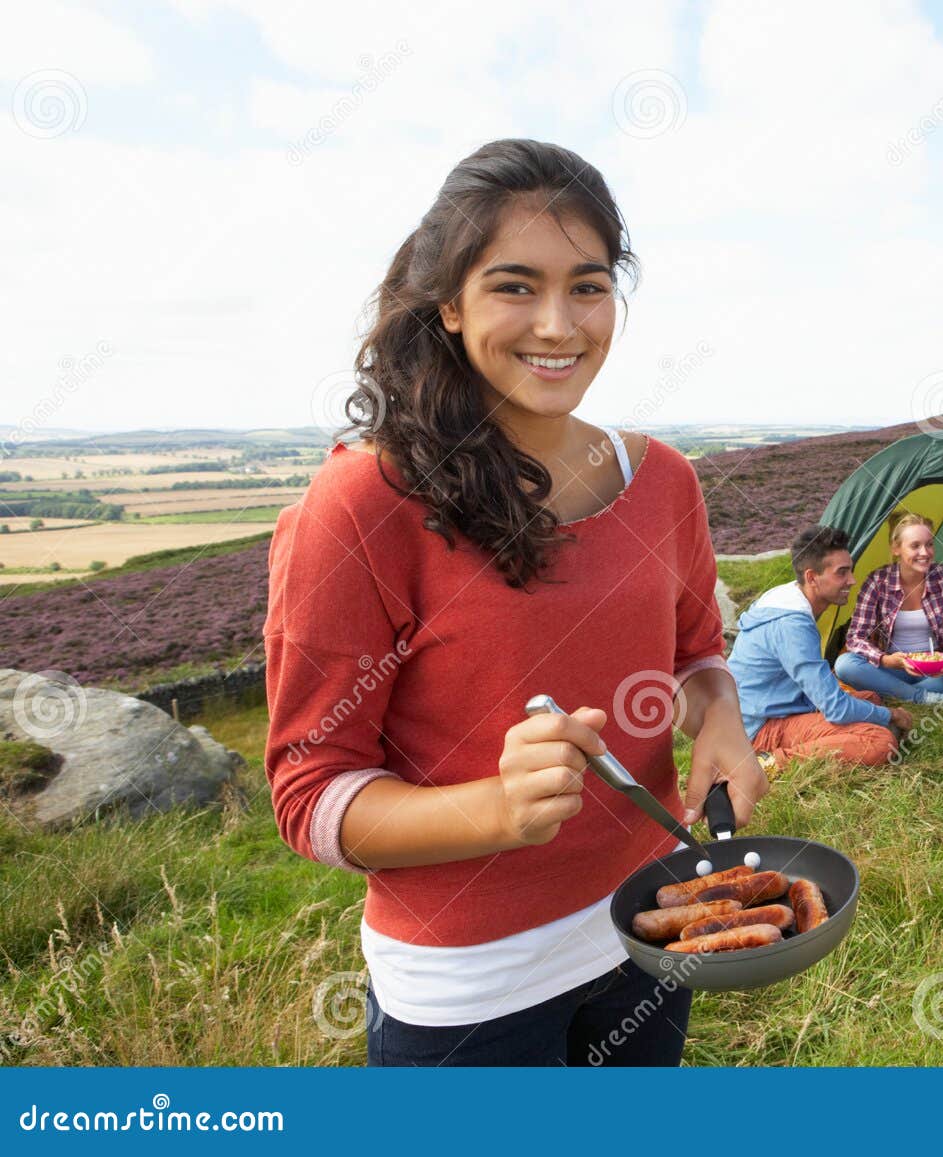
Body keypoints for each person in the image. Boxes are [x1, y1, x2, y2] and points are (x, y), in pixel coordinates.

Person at [263, 139, 768, 1068]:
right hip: (468, 990)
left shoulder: (662, 481)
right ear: (449, 304)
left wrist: (723, 723)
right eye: (513, 285)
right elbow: (310, 795)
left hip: (652, 921)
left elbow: (697, 656)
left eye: (587, 284)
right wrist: (495, 809)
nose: (558, 323)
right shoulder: (362, 507)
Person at [728, 525, 914, 771]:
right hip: (758, 729)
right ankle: (766, 764)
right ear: (812, 577)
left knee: (870, 699)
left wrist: (878, 712)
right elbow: (836, 709)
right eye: (842, 573)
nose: (852, 580)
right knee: (880, 741)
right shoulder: (792, 624)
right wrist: (892, 715)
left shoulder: (788, 596)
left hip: (769, 707)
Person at [833, 510, 943, 704]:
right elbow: (855, 638)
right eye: (915, 546)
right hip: (895, 668)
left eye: (929, 544)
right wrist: (885, 660)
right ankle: (931, 698)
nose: (925, 553)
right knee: (845, 664)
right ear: (896, 548)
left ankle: (904, 697)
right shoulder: (877, 582)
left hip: (939, 670)